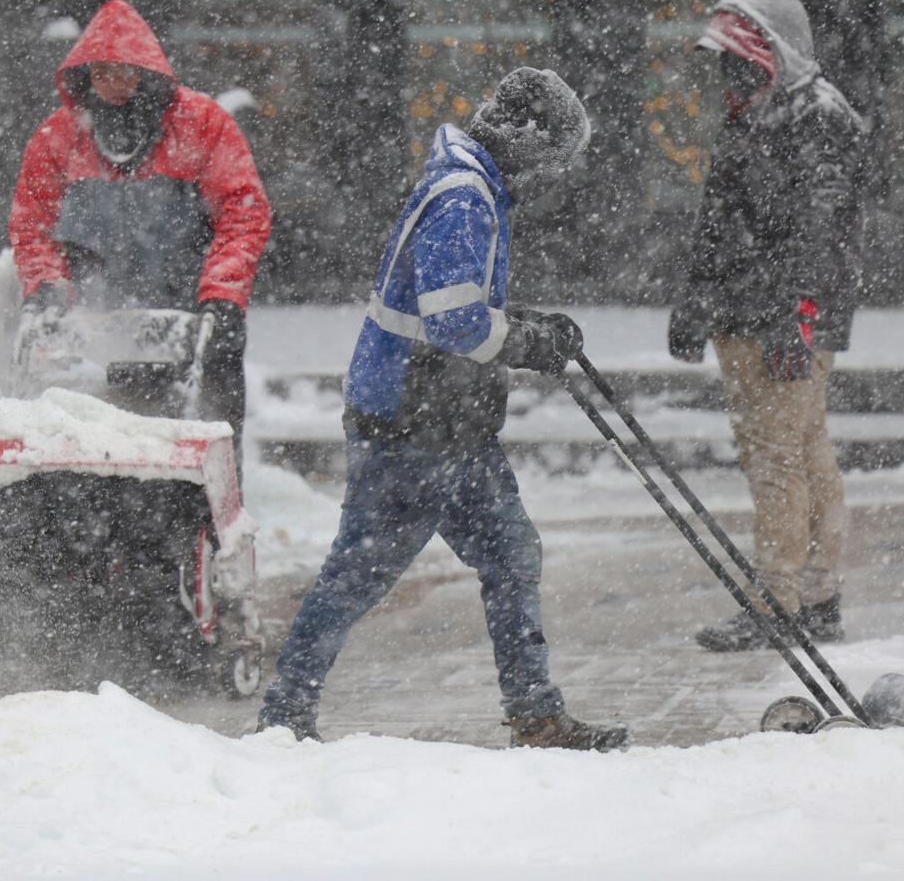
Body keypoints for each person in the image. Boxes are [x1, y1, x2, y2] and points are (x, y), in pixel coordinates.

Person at [256, 68, 630, 751]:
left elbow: (453, 306)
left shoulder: (474, 184)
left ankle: (535, 713)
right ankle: (282, 714)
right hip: (411, 423)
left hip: (447, 420)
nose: (548, 176)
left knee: (511, 554)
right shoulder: (464, 198)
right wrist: (526, 340)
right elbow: (455, 323)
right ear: (526, 137)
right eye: (550, 159)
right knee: (357, 574)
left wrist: (523, 323)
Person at [668, 0, 865, 651]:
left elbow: (820, 230)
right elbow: (719, 221)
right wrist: (697, 296)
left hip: (786, 318)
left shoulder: (819, 117)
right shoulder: (748, 116)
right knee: (788, 452)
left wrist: (797, 317)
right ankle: (816, 596)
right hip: (744, 312)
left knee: (783, 456)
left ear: (773, 55)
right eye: (724, 63)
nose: (730, 75)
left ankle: (780, 600)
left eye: (740, 62)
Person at [8, 0, 271, 459]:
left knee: (207, 453)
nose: (114, 87)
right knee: (96, 453)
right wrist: (47, 286)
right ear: (84, 78)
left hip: (197, 322)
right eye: (101, 74)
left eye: (125, 73)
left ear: (148, 75)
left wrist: (223, 296)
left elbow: (242, 213)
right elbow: (34, 224)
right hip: (95, 331)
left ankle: (210, 529)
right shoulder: (58, 139)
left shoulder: (204, 126)